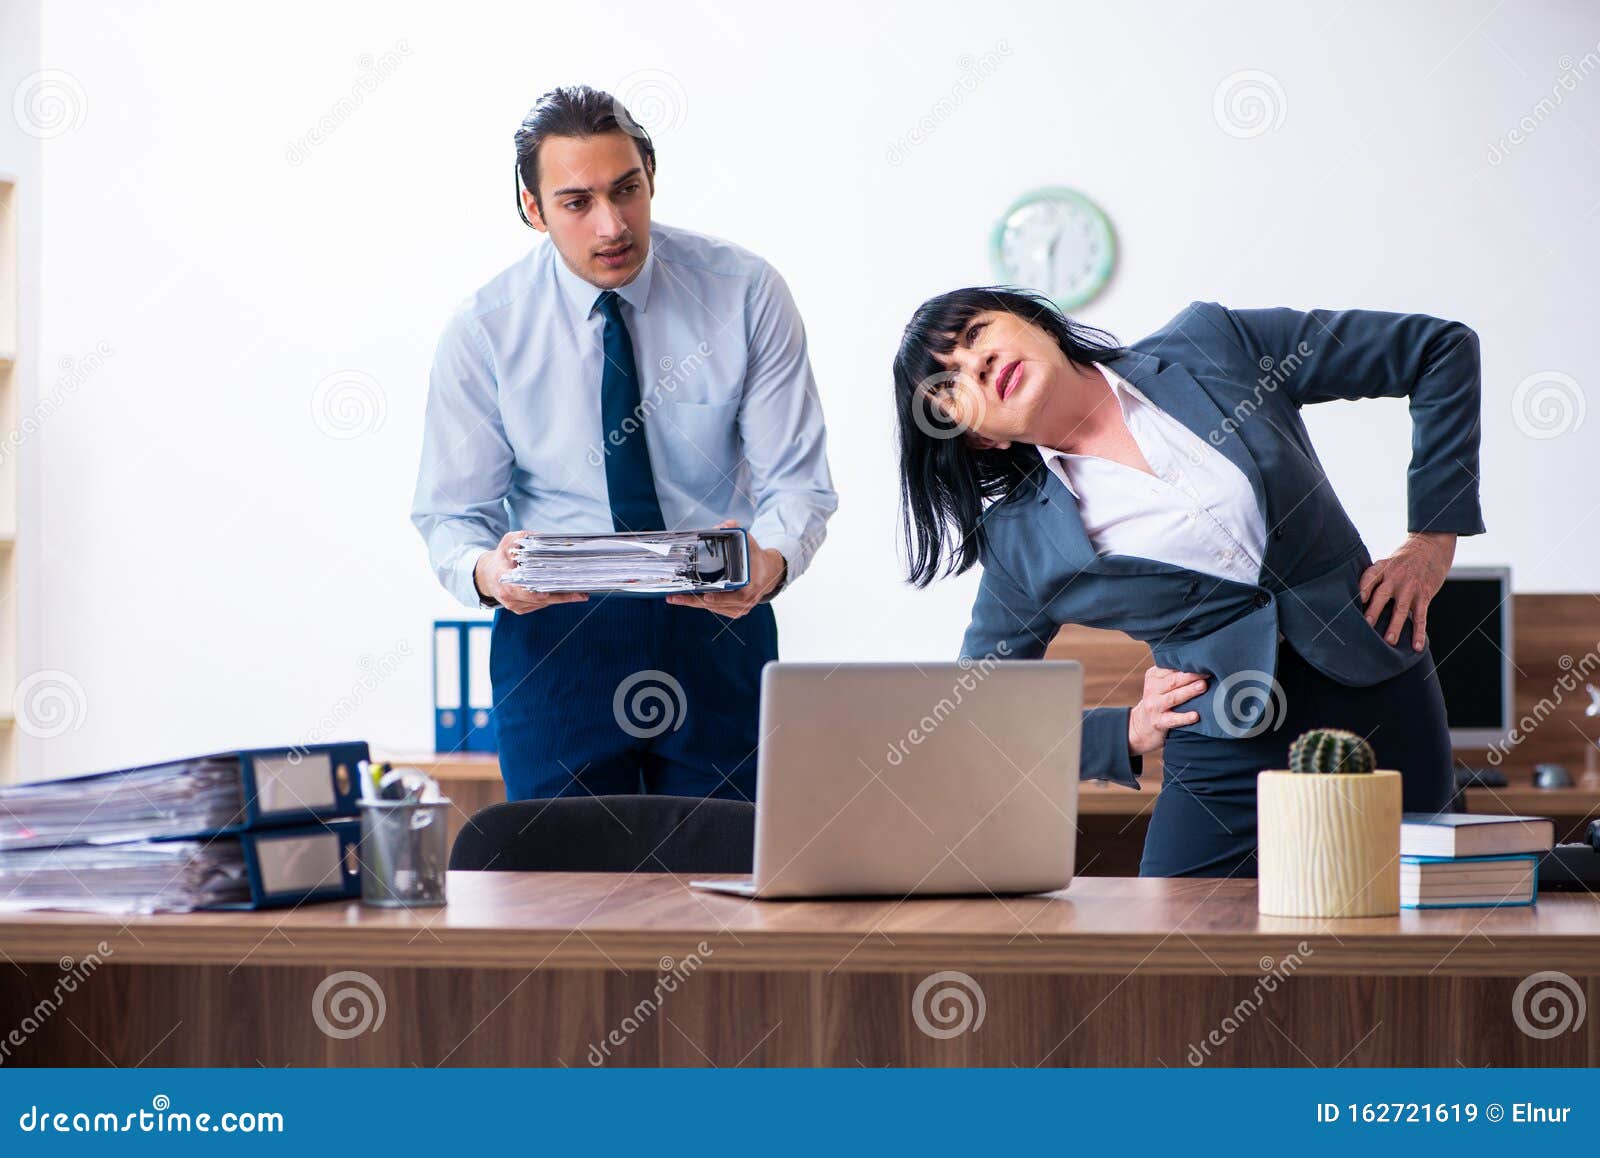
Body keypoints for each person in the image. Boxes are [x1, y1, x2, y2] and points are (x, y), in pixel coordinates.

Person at [892, 288, 1482, 877]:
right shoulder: (1019, 543)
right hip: (1223, 748)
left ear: (1032, 321)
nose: (980, 365)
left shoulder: (1214, 344)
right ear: (981, 438)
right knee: (1177, 947)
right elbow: (983, 709)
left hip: (1379, 686)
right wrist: (1124, 730)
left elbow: (1438, 350)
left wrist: (1433, 537)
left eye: (976, 336)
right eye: (954, 385)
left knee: (1426, 924)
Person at [412, 85, 836, 802]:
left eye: (627, 190)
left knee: (726, 888)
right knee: (561, 891)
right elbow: (452, 516)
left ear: (650, 179)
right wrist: (489, 572)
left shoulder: (743, 292)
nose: (612, 224)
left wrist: (770, 563)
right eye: (577, 202)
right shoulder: (486, 329)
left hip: (717, 627)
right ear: (533, 207)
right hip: (557, 636)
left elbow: (796, 484)